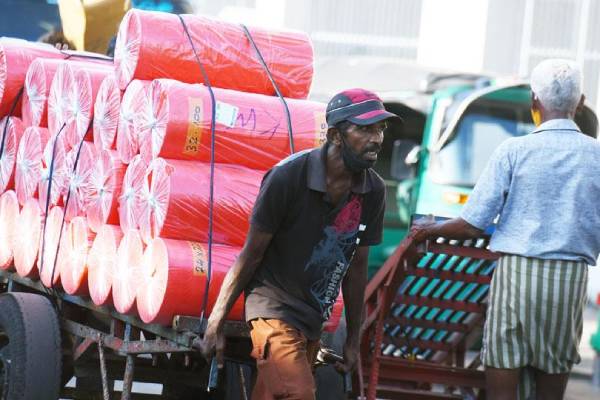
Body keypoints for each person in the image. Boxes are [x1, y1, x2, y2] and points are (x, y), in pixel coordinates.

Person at [410, 59, 600, 400]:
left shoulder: (514, 150)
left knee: (503, 369)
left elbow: (472, 224)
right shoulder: (597, 156)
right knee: (552, 376)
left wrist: (428, 229)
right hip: (569, 280)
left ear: (534, 102)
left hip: (517, 275)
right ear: (581, 101)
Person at [201, 89, 400, 399]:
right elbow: (251, 256)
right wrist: (216, 320)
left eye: (380, 129)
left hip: (312, 317)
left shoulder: (372, 190)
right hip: (273, 307)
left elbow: (357, 268)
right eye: (364, 129)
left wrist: (351, 340)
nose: (376, 138)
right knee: (298, 394)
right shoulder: (288, 177)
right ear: (335, 135)